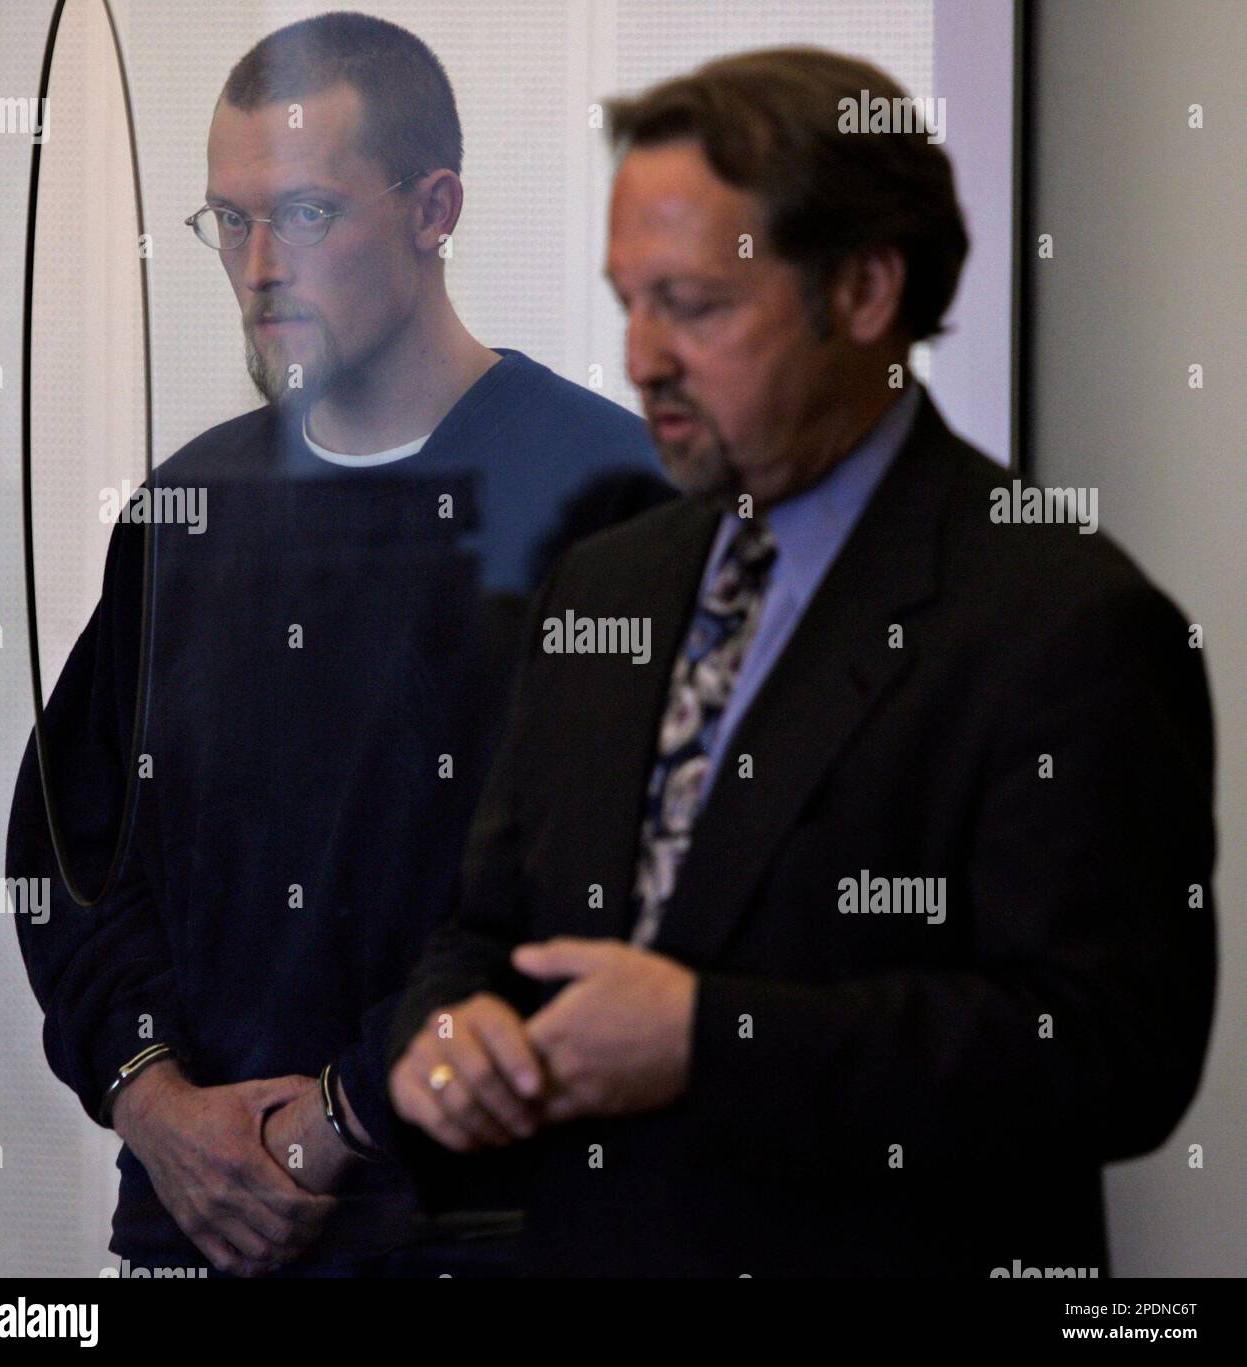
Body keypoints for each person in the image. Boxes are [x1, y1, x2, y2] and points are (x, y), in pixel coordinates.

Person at [383, 48, 1217, 1277]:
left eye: (695, 305)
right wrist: (447, 1030)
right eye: (630, 303)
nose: (644, 358)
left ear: (867, 292)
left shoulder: (1063, 619)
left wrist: (714, 1039)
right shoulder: (605, 584)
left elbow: (1108, 1051)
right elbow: (488, 926)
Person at [7, 11, 665, 1279]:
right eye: (228, 220)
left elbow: (617, 900)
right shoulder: (187, 512)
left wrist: (332, 1122)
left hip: (490, 1241)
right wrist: (152, 1096)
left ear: (434, 209)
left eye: (305, 215)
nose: (257, 267)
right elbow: (68, 850)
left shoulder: (613, 496)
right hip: (198, 1231)